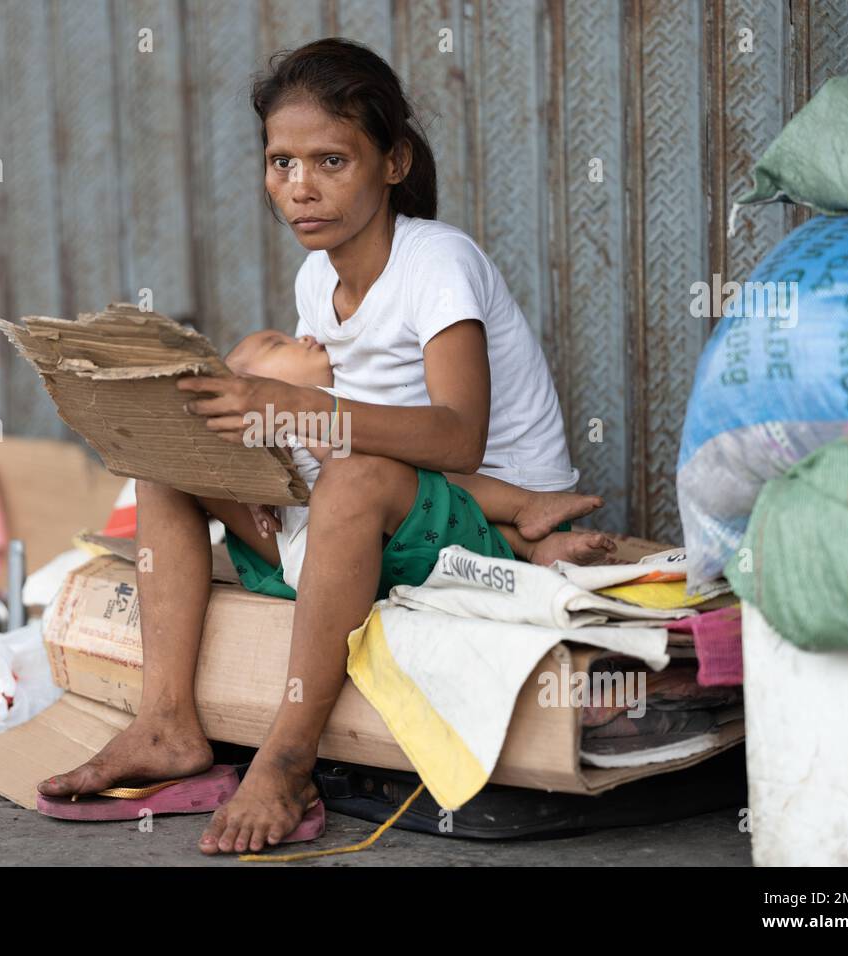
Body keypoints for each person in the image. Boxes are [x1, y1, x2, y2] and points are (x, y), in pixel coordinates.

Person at [38, 37, 612, 855]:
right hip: (374, 525)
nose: (300, 188)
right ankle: (167, 726)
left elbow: (458, 434)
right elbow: (315, 426)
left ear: (393, 160)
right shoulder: (319, 280)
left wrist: (298, 406)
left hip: (481, 518)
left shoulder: (436, 262)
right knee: (172, 470)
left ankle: (287, 757)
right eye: (281, 163)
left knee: (351, 477)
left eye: (332, 160)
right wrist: (226, 428)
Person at [223, 328, 612, 596]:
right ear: (250, 385)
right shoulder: (291, 416)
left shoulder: (304, 410)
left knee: (421, 489)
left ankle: (531, 545)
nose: (305, 337)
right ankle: (526, 507)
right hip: (330, 553)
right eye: (277, 344)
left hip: (355, 533)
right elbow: (344, 465)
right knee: (405, 473)